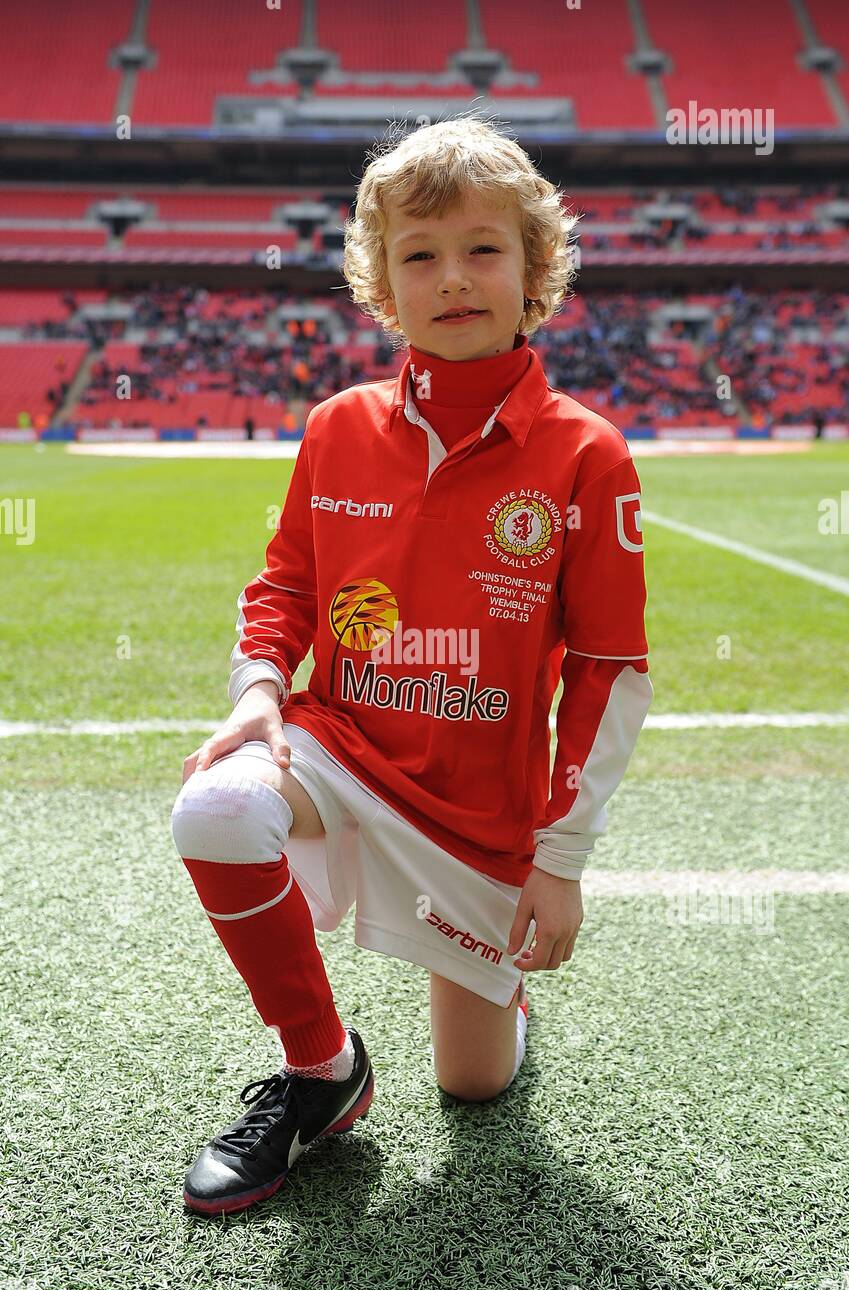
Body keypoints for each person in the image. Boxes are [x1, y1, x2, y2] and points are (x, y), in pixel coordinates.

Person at [171, 115, 653, 1216]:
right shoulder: (337, 426)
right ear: (382, 282)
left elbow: (608, 668)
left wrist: (562, 858)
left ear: (536, 268)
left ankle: (499, 1009)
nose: (452, 278)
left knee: (472, 1086)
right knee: (213, 811)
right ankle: (321, 1070)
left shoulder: (588, 453)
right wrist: (257, 695)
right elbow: (286, 585)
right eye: (419, 254)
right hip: (338, 752)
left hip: (476, 813)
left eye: (483, 248)